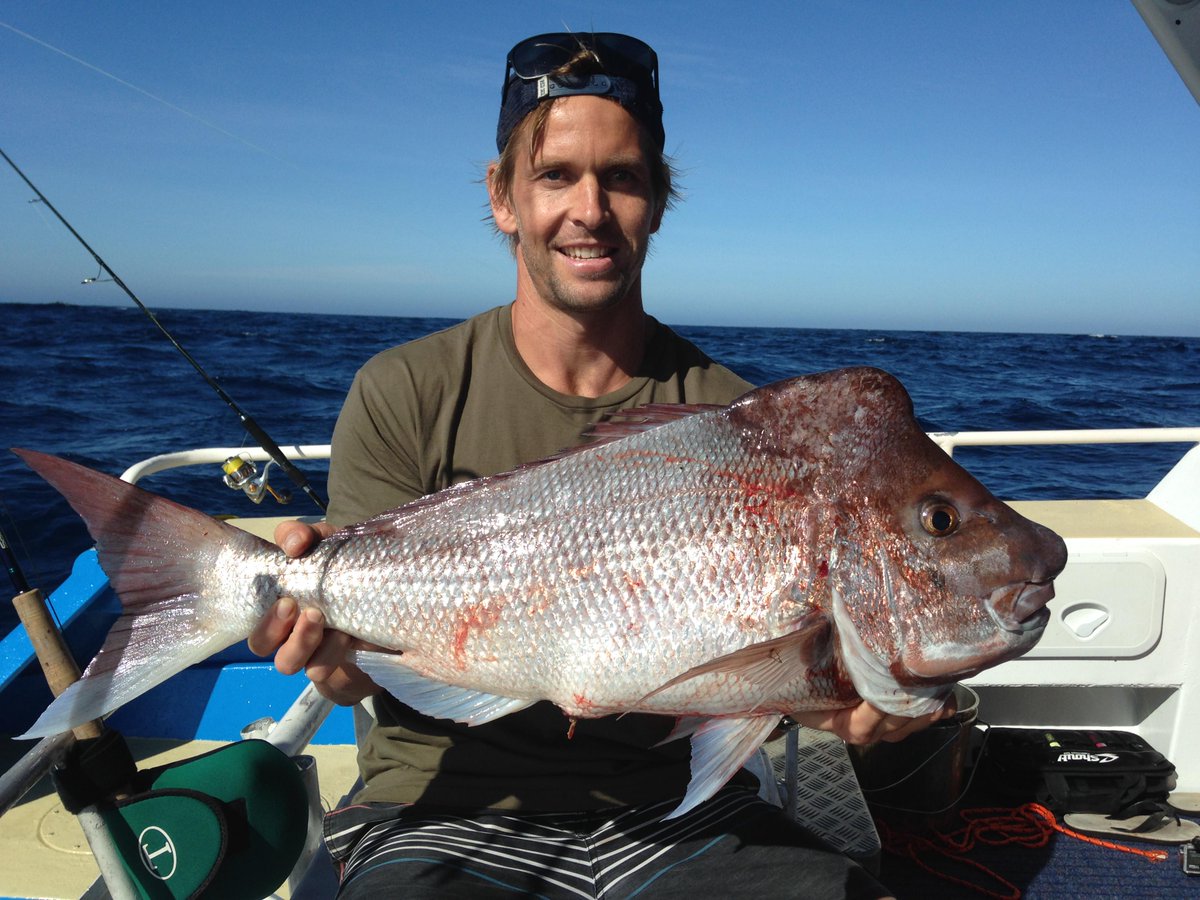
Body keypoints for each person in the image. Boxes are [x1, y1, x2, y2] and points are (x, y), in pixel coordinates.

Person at [250, 31, 948, 899]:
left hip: (678, 810)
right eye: (555, 176)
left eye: (621, 177)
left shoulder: (733, 416)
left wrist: (842, 702)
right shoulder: (406, 390)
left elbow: (755, 688)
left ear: (658, 202)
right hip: (442, 807)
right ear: (503, 199)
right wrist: (327, 653)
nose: (589, 208)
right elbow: (361, 673)